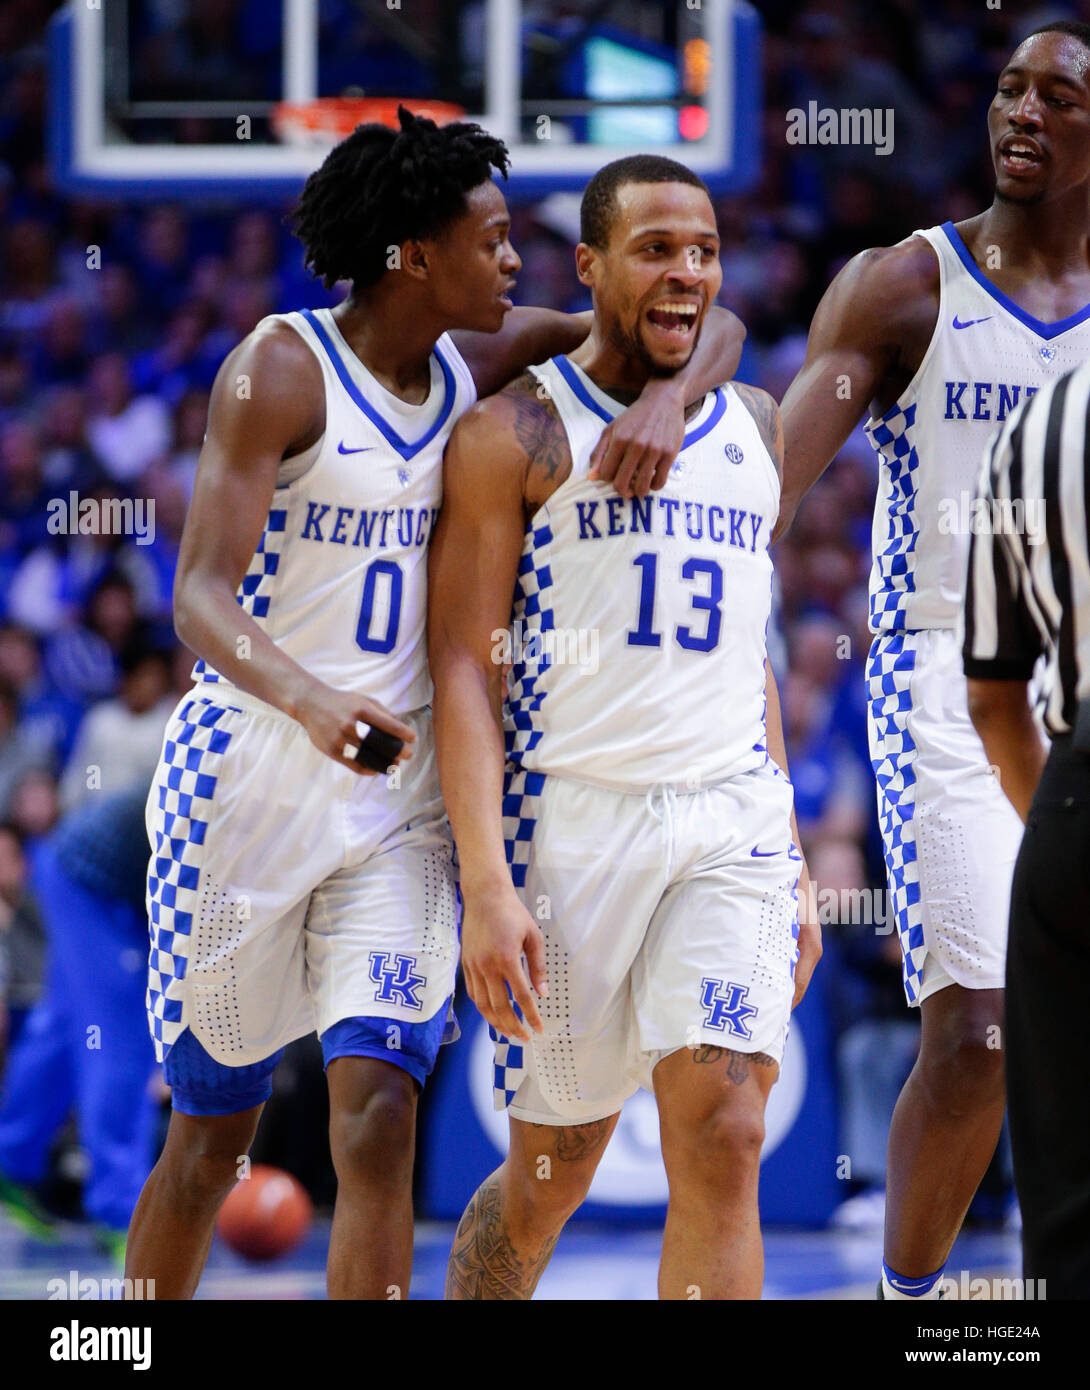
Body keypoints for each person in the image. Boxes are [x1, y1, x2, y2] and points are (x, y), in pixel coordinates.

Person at [123, 111, 745, 1301]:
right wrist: (309, 700)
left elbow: (704, 326)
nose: (516, 263)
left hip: (400, 803)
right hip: (249, 776)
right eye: (494, 239)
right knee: (210, 1142)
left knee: (376, 1123)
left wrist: (668, 405)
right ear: (414, 253)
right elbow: (196, 597)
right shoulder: (279, 367)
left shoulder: (480, 357)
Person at [428, 153, 819, 1301]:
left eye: (702, 250)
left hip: (728, 819)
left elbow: (748, 650)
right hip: (572, 824)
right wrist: (487, 885)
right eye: (655, 250)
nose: (687, 273)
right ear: (590, 266)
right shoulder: (513, 436)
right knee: (552, 1173)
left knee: (727, 1133)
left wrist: (788, 843)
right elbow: (464, 667)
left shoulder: (752, 420)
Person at [775, 21, 1090, 1299]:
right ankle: (911, 1309)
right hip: (940, 676)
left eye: (1056, 95)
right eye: (1008, 87)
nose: (1019, 111)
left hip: (1084, 691)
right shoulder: (905, 284)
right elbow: (768, 486)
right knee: (978, 1027)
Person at [963, 356, 1090, 1298]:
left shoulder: (1031, 429)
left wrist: (1059, 823)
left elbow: (992, 698)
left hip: (1074, 802)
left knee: (1067, 1207)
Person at [0, 790, 158, 1261]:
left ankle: (11, 1159)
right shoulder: (234, 781)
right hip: (91, 882)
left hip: (73, 868)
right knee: (119, 1041)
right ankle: (120, 1213)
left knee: (69, 1025)